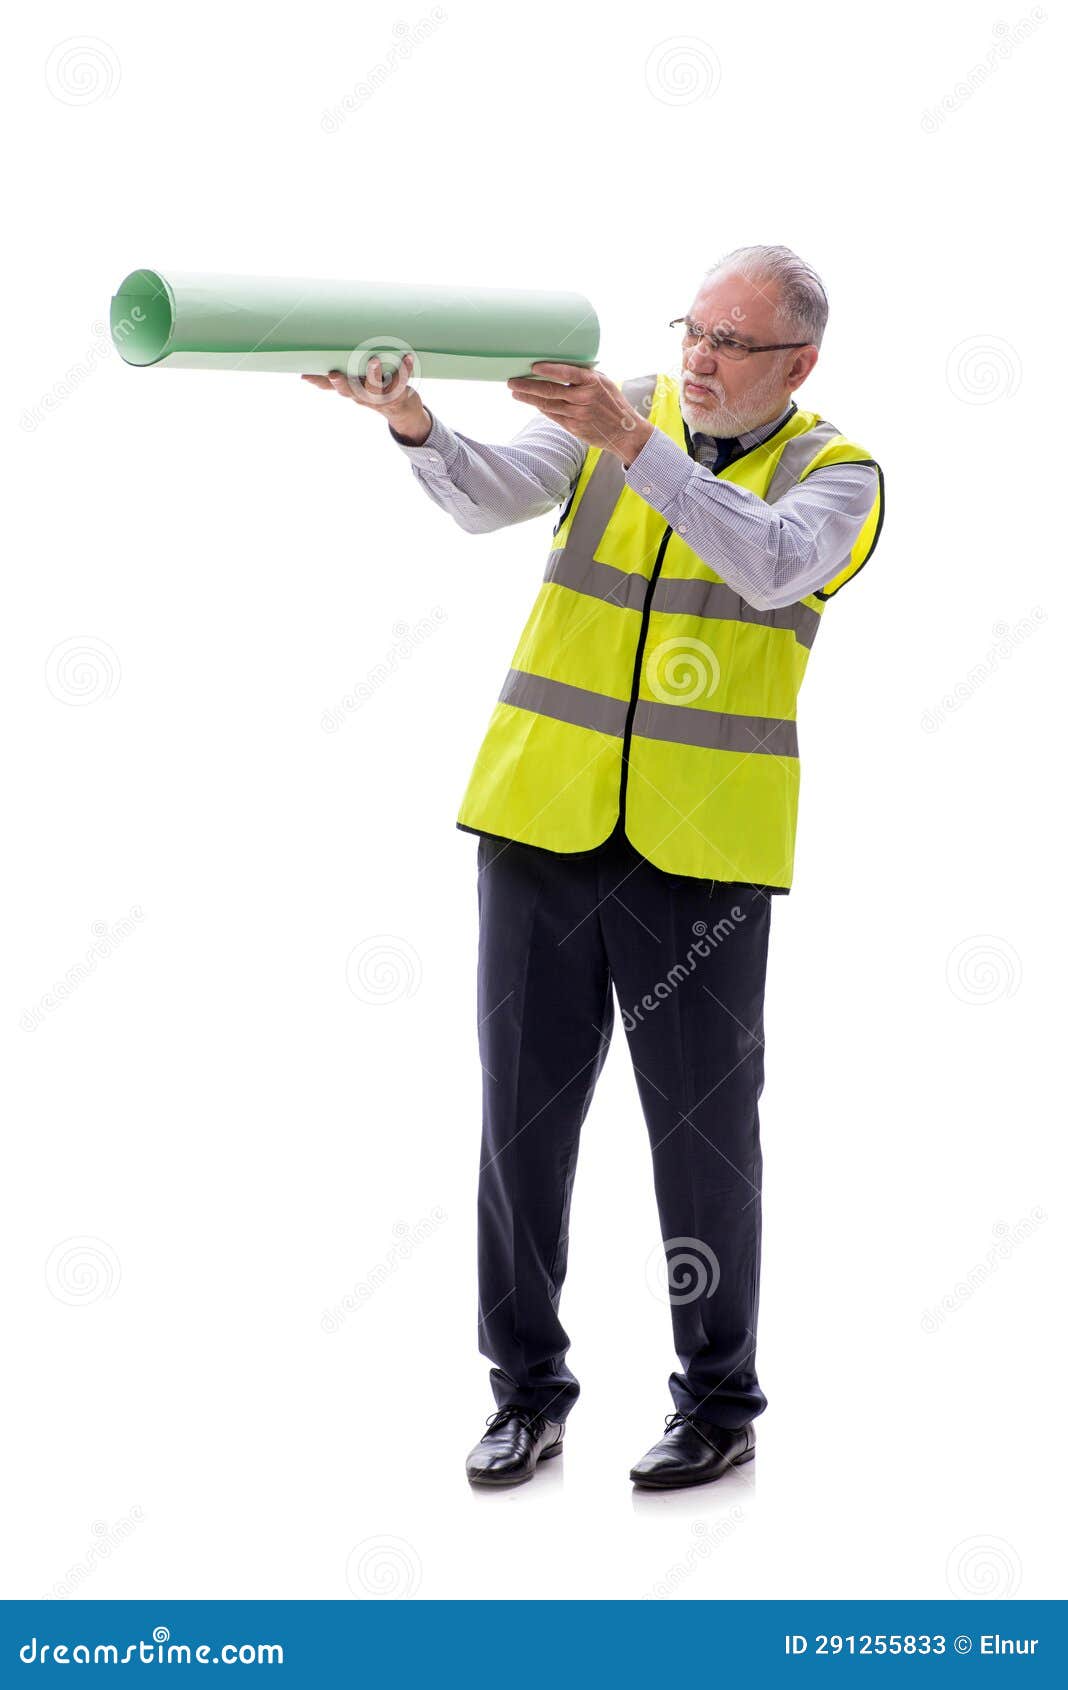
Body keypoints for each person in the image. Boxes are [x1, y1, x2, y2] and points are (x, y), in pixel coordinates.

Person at [304, 244, 885, 1491]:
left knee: (705, 1143)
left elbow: (769, 561)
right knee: (520, 1126)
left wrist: (636, 444)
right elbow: (488, 494)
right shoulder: (623, 408)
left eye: (732, 342)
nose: (700, 358)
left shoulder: (838, 476)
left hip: (701, 862)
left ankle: (718, 1404)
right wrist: (412, 420)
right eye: (695, 330)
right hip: (541, 824)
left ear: (799, 365)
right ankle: (525, 1393)